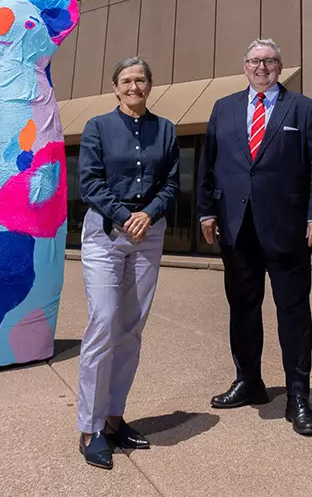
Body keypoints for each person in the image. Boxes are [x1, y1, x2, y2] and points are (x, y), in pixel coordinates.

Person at [197, 38, 312, 436]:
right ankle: (249, 381)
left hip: (288, 228)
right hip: (235, 226)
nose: (262, 67)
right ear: (245, 66)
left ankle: (298, 395)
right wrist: (206, 210)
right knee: (242, 308)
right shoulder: (224, 108)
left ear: (280, 66)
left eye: (270, 61)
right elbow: (209, 163)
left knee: (293, 311)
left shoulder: (302, 107)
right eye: (256, 61)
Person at [76, 57, 180, 470]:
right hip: (106, 233)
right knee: (103, 321)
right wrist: (125, 216)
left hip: (148, 234)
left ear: (149, 86)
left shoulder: (166, 129)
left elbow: (172, 182)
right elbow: (89, 182)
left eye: (140, 79)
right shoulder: (97, 127)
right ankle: (89, 428)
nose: (134, 85)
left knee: (132, 328)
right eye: (126, 80)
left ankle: (115, 418)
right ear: (115, 88)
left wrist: (148, 214)